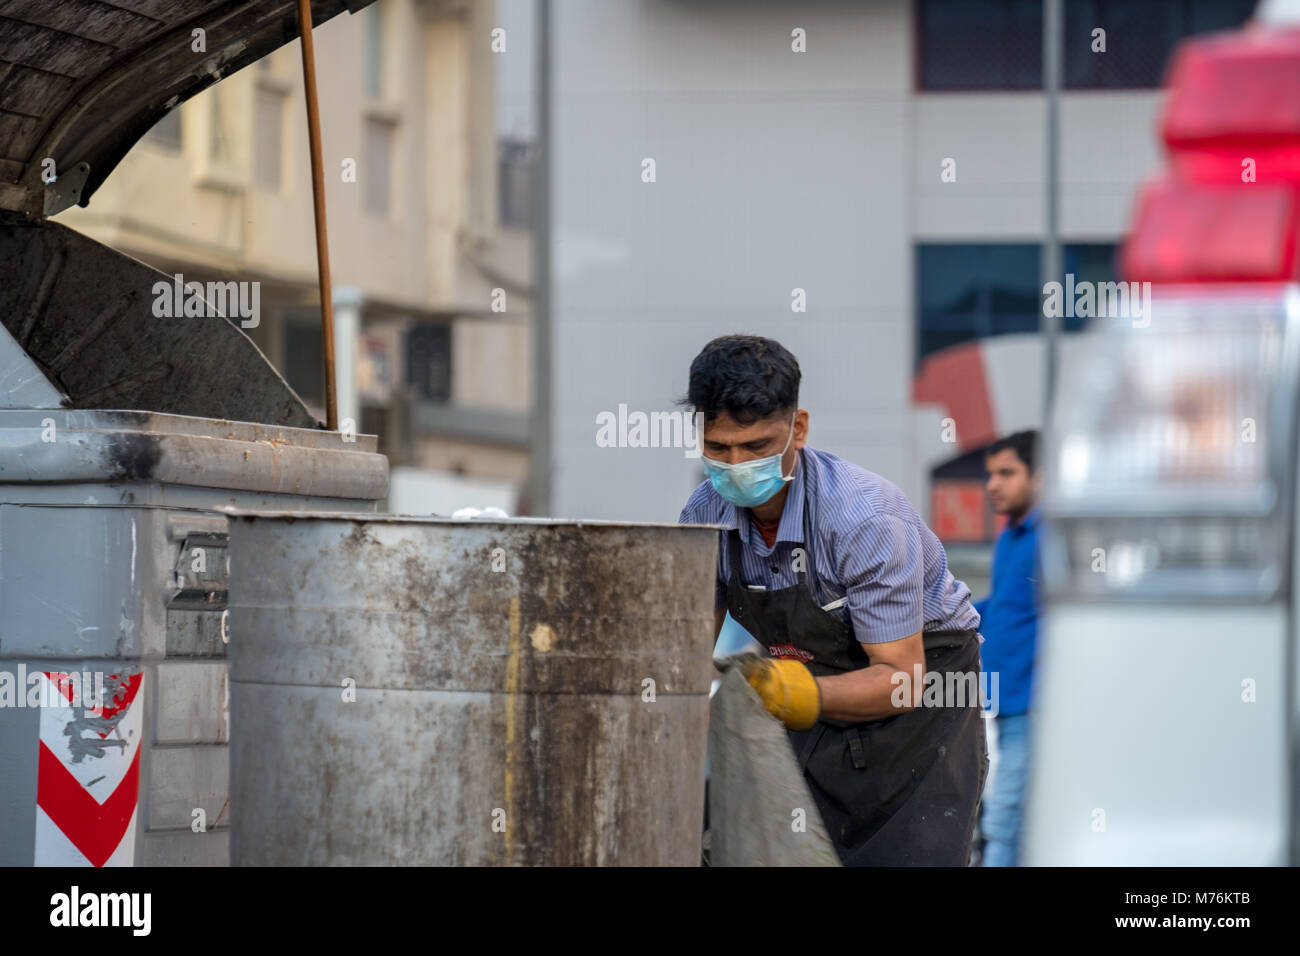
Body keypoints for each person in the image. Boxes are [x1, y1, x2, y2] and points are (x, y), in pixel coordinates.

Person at [678, 334, 988, 866]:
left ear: (798, 428)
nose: (734, 464)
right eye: (717, 447)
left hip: (920, 701)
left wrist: (801, 695)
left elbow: (900, 677)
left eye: (754, 447)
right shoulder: (705, 515)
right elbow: (682, 657)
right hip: (810, 693)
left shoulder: (863, 517)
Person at [973, 430, 1042, 867]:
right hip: (1005, 705)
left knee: (1005, 822)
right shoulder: (1011, 537)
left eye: (1007, 473)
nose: (992, 485)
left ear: (1042, 474)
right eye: (990, 474)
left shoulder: (1051, 537)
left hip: (1038, 709)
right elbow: (1002, 607)